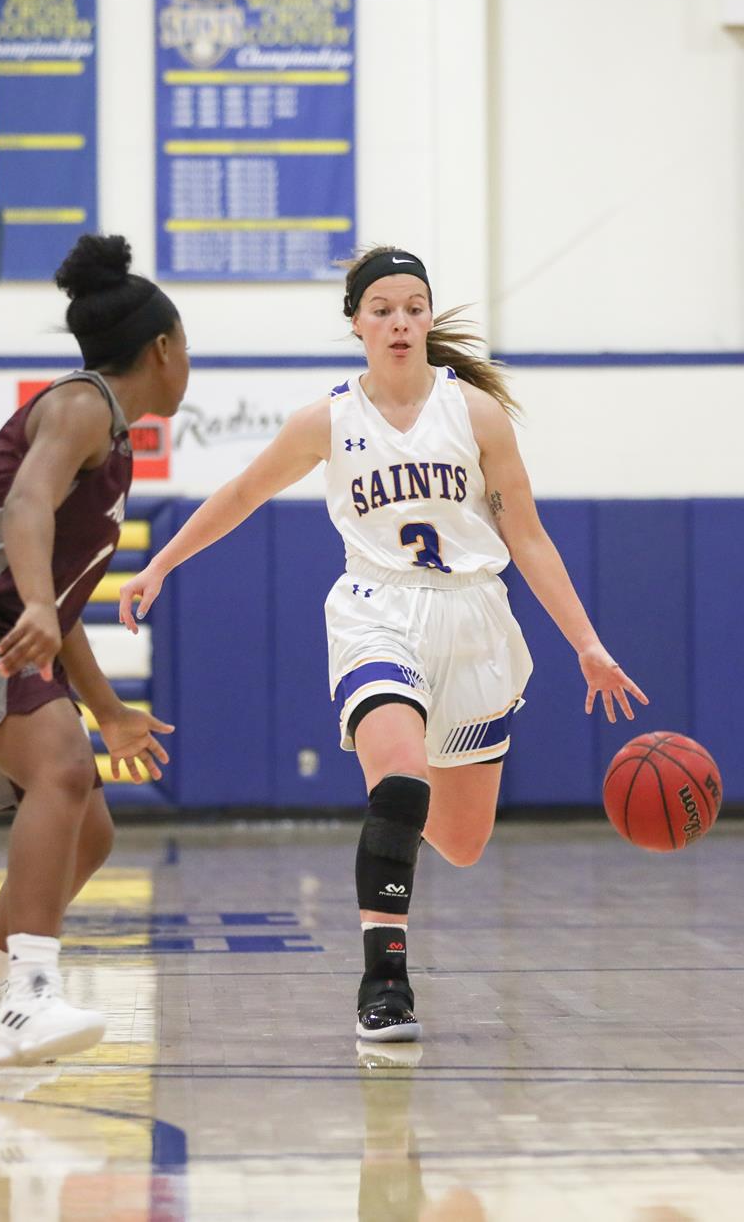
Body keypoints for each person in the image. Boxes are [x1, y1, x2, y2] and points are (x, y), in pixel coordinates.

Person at [118, 244, 646, 1043]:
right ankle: (384, 978)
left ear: (429, 318)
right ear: (356, 322)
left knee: (462, 842)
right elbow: (241, 493)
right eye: (384, 309)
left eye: (414, 307)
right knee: (399, 784)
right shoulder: (327, 419)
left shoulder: (475, 413)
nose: (400, 322)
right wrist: (158, 562)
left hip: (472, 618)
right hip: (376, 608)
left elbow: (528, 538)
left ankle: (396, 819)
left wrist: (587, 642)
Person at [0, 235, 185, 1066]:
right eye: (185, 344)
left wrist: (111, 709)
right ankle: (30, 998)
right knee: (63, 770)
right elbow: (23, 508)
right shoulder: (82, 405)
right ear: (162, 349)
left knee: (90, 830)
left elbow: (63, 603)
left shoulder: (112, 443)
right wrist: (41, 605)